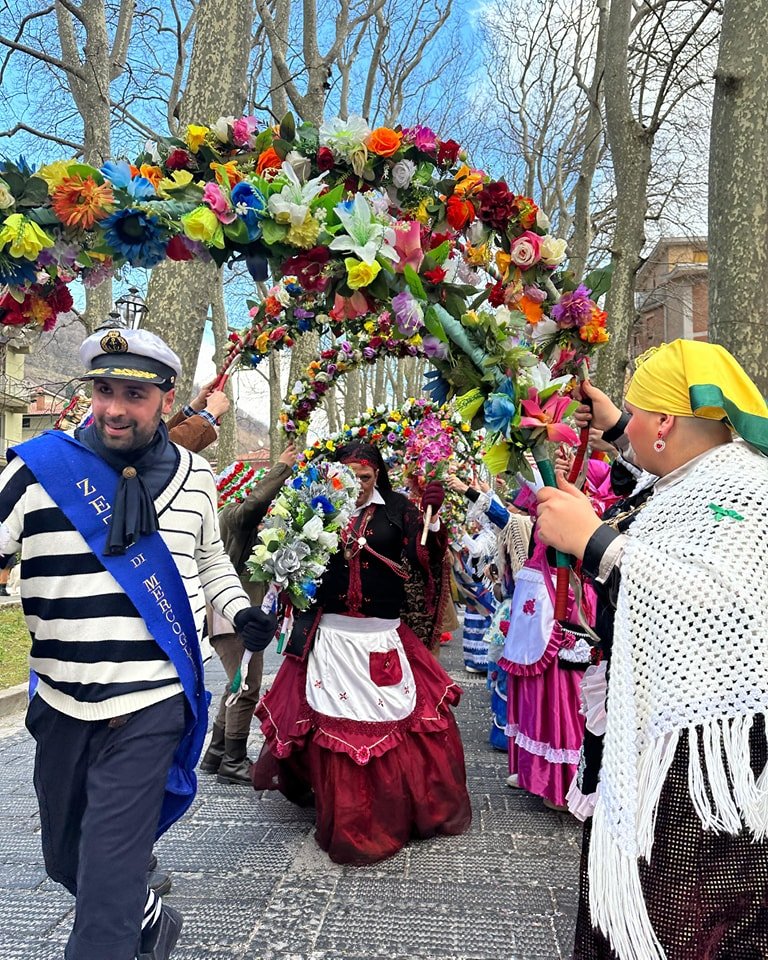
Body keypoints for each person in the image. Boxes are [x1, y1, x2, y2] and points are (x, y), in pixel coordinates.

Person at [0, 327, 276, 960]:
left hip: (151, 703)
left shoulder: (197, 478)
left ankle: (121, 920)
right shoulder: (35, 470)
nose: (115, 408)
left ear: (166, 399)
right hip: (63, 700)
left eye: (134, 393)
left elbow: (209, 564)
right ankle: (147, 912)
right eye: (103, 390)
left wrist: (238, 612)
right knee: (68, 859)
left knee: (105, 880)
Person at [535, 340, 768, 960]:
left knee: (681, 924)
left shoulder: (747, 489)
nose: (626, 424)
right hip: (662, 747)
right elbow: (660, 504)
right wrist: (612, 429)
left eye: (636, 412)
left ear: (665, 422)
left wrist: (597, 545)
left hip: (703, 771)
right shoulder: (703, 476)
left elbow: (722, 600)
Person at [251, 441, 472, 864]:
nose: (355, 487)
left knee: (390, 717)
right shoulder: (318, 507)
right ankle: (343, 811)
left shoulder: (399, 510)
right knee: (331, 721)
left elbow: (425, 557)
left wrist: (434, 519)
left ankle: (392, 808)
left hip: (382, 638)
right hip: (330, 636)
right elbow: (292, 563)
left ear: (377, 475)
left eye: (365, 478)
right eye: (349, 478)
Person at [200, 442, 299, 784]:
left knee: (236, 684)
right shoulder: (232, 517)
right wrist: (281, 468)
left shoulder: (233, 523)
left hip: (233, 614)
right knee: (246, 685)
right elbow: (254, 505)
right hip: (232, 613)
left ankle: (216, 753)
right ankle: (234, 760)